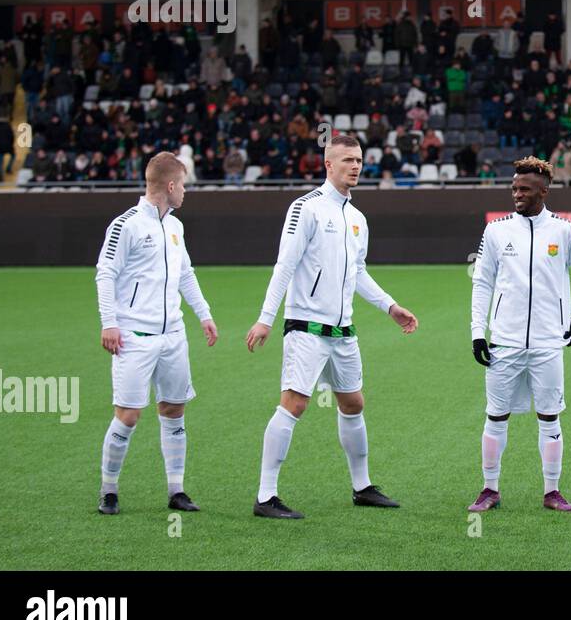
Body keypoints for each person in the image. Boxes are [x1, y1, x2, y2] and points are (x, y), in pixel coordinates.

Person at [245, 133, 419, 519]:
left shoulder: (357, 218)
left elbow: (358, 273)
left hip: (344, 332)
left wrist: (390, 307)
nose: (355, 166)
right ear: (328, 164)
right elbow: (284, 266)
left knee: (353, 403)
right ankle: (265, 496)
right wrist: (265, 319)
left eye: (358, 160)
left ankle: (362, 487)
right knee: (294, 404)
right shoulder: (305, 208)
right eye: (347, 161)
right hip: (306, 327)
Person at [93, 151, 218, 515]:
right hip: (134, 337)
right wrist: (109, 322)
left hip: (173, 336)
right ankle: (109, 488)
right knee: (128, 415)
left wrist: (204, 315)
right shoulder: (125, 224)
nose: (186, 192)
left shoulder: (175, 226)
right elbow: (105, 274)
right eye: (184, 185)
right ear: (170, 184)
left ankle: (176, 490)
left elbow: (185, 275)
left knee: (174, 410)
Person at [468, 156, 571, 512]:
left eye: (524, 189)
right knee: (496, 415)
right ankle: (490, 488)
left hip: (548, 341)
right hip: (503, 341)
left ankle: (552, 491)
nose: (517, 194)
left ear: (543, 191)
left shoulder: (564, 230)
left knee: (550, 416)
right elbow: (482, 282)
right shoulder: (496, 230)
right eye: (514, 188)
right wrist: (479, 332)